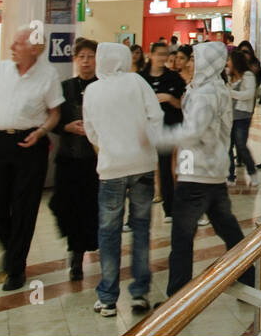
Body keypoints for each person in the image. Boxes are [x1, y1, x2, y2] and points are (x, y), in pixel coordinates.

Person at [0, 30, 64, 291]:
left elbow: (55, 113)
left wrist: (41, 131)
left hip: (31, 145)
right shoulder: (1, 71)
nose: (12, 46)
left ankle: (16, 268)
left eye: (19, 43)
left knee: (24, 207)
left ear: (34, 49)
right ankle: (12, 251)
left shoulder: (48, 75)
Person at [155, 42, 255, 298]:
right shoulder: (212, 89)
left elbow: (192, 133)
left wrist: (154, 138)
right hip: (210, 172)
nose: (189, 63)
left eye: (194, 59)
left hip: (197, 175)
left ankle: (177, 295)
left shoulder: (206, 93)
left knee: (182, 236)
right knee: (227, 229)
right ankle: (250, 277)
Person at [82, 42, 164, 318]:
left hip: (111, 168)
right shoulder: (137, 82)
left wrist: (107, 144)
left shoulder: (92, 90)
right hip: (142, 166)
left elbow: (90, 130)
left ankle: (107, 298)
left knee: (109, 233)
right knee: (141, 229)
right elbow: (157, 116)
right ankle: (139, 294)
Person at [49, 38, 99, 282]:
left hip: (95, 161)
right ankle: (74, 250)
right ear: (75, 59)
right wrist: (67, 127)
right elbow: (52, 120)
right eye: (82, 57)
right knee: (66, 206)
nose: (86, 61)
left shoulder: (102, 87)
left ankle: (80, 255)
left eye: (91, 56)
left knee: (89, 207)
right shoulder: (65, 87)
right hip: (68, 158)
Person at [140, 41, 185, 222]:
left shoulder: (174, 78)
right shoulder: (140, 78)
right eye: (158, 54)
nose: (161, 58)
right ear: (151, 55)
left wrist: (168, 98)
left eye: (164, 54)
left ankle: (170, 209)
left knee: (166, 168)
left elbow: (182, 105)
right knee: (143, 171)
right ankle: (138, 212)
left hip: (167, 127)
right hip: (145, 129)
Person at [225, 49, 259, 187]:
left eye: (229, 60)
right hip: (228, 115)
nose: (227, 63)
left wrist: (230, 93)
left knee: (241, 145)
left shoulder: (248, 76)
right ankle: (230, 176)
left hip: (242, 116)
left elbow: (249, 94)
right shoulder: (229, 76)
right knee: (228, 146)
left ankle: (252, 172)